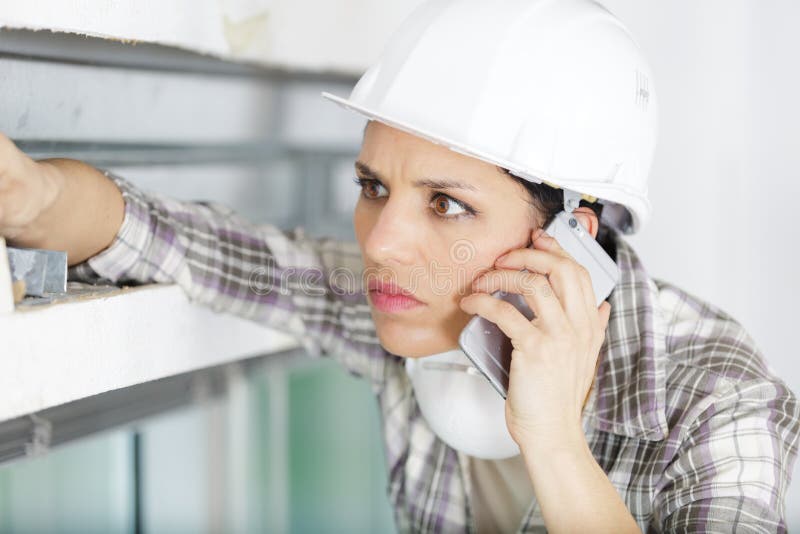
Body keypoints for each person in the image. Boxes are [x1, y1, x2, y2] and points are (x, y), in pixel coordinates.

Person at [1, 0, 798, 532]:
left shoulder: (718, 403)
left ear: (570, 237)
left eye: (447, 203)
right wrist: (34, 199)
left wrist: (553, 441)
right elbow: (189, 245)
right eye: (373, 187)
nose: (382, 242)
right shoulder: (423, 314)